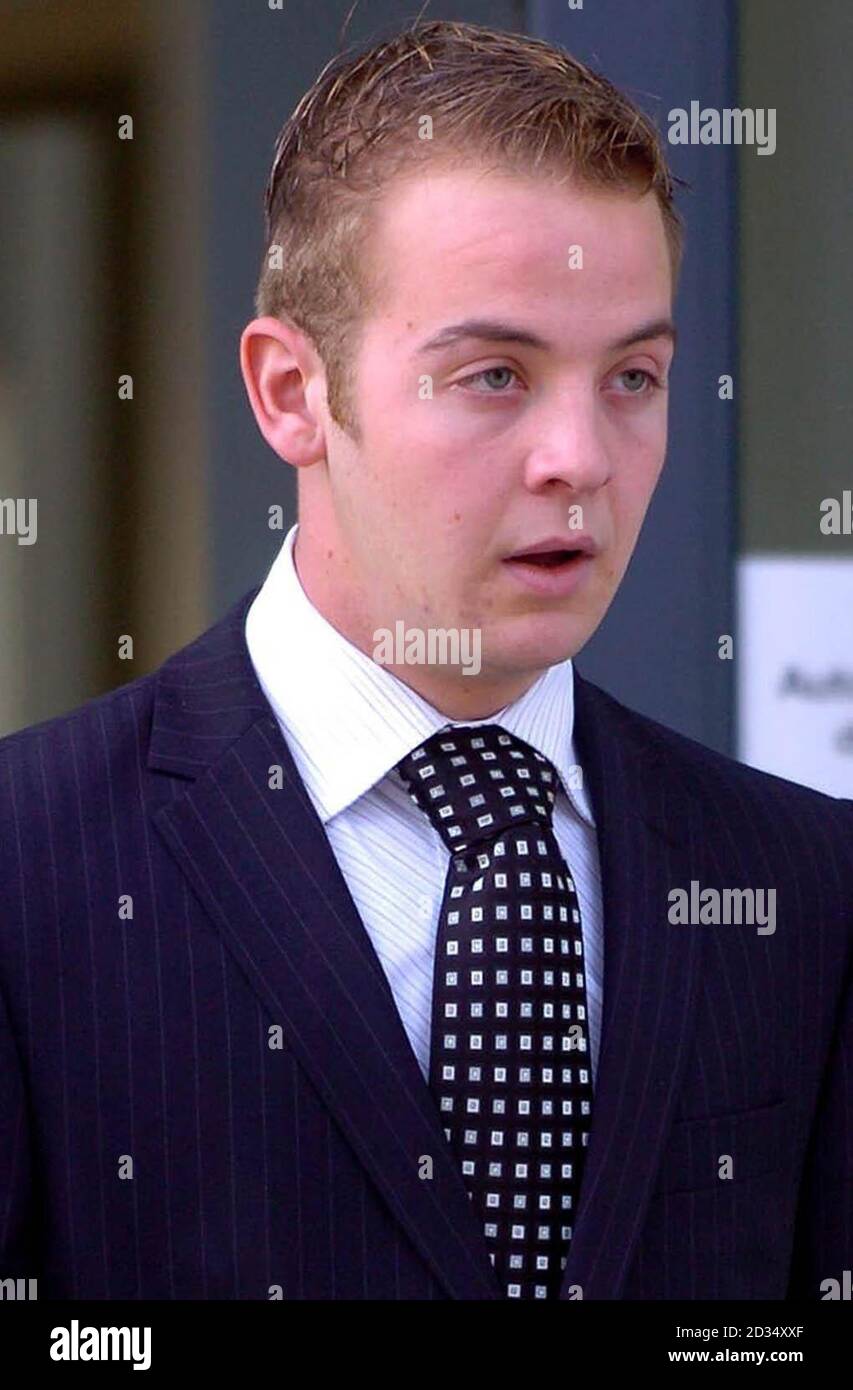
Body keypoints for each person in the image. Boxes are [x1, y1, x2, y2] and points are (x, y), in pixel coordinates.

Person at [1, 19, 850, 1302]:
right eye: (494, 373)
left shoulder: (800, 884)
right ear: (292, 393)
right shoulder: (30, 867)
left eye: (633, 376)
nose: (579, 458)